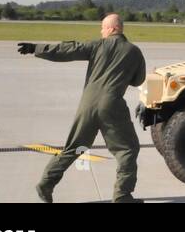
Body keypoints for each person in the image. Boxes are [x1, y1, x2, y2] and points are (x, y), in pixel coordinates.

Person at [18, 13, 146, 203]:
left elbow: (68, 49)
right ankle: (122, 196)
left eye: (103, 27)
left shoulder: (95, 46)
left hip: (87, 105)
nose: (101, 31)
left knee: (74, 148)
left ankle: (46, 184)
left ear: (112, 28)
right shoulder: (134, 52)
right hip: (112, 105)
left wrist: (36, 48)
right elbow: (138, 80)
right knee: (127, 150)